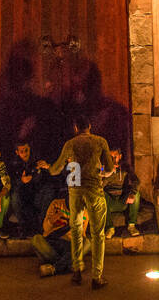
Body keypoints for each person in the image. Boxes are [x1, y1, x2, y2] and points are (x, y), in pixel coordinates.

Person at [39, 117, 112, 290]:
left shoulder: (70, 144)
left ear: (75, 128)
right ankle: (97, 276)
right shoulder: (100, 141)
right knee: (98, 234)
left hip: (75, 190)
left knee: (77, 231)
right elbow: (109, 170)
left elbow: (56, 170)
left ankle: (77, 271)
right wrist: (98, 172)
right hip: (94, 189)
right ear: (89, 127)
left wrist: (50, 167)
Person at [30, 196, 91, 277]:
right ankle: (71, 263)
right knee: (36, 239)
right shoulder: (56, 204)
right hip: (53, 243)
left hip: (70, 245)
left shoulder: (84, 211)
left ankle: (54, 268)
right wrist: (52, 220)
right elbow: (45, 228)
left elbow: (82, 234)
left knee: (87, 243)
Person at [8, 141, 56, 236]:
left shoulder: (37, 160)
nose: (25, 153)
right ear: (17, 152)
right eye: (22, 151)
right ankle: (23, 226)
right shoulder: (13, 164)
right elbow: (10, 183)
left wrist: (46, 168)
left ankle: (41, 226)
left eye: (26, 150)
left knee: (49, 190)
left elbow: (48, 178)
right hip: (23, 197)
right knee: (14, 195)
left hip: (36, 194)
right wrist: (21, 181)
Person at [101, 147, 141, 238]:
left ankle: (131, 226)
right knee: (100, 195)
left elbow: (136, 181)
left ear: (120, 156)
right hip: (109, 202)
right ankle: (110, 228)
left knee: (137, 194)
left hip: (123, 200)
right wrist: (109, 172)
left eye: (115, 156)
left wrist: (132, 193)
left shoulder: (126, 167)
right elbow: (100, 185)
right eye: (110, 157)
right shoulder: (103, 168)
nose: (113, 159)